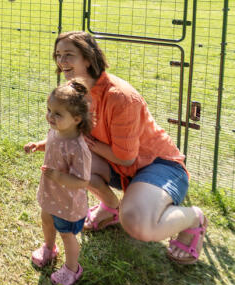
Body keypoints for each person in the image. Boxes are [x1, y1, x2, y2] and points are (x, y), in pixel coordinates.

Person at [52, 30, 207, 264]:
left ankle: (194, 218)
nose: (62, 61)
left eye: (68, 54)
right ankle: (111, 207)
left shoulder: (120, 96)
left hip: (159, 166)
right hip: (121, 166)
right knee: (67, 160)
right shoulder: (75, 91)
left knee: (137, 223)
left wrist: (88, 142)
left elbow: (125, 158)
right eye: (58, 55)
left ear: (88, 58)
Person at [24, 79, 92, 285]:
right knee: (46, 220)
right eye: (49, 110)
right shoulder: (56, 132)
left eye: (57, 114)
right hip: (50, 194)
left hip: (67, 203)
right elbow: (51, 144)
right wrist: (39, 145)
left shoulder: (78, 148)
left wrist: (59, 177)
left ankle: (72, 268)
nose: (50, 117)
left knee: (67, 235)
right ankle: (49, 247)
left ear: (77, 119)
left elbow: (82, 181)